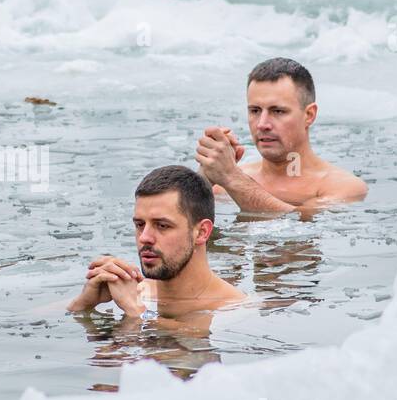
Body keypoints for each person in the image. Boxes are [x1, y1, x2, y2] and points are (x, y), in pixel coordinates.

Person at [67, 165, 245, 320]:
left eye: (162, 225)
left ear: (202, 232)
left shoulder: (235, 310)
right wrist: (84, 304)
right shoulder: (131, 292)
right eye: (139, 224)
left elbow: (189, 349)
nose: (144, 237)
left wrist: (136, 310)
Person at [195, 57, 366, 212]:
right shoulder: (223, 186)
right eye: (255, 110)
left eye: (278, 111)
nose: (262, 124)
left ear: (309, 115)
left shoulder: (344, 187)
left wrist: (232, 178)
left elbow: (298, 222)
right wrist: (205, 179)